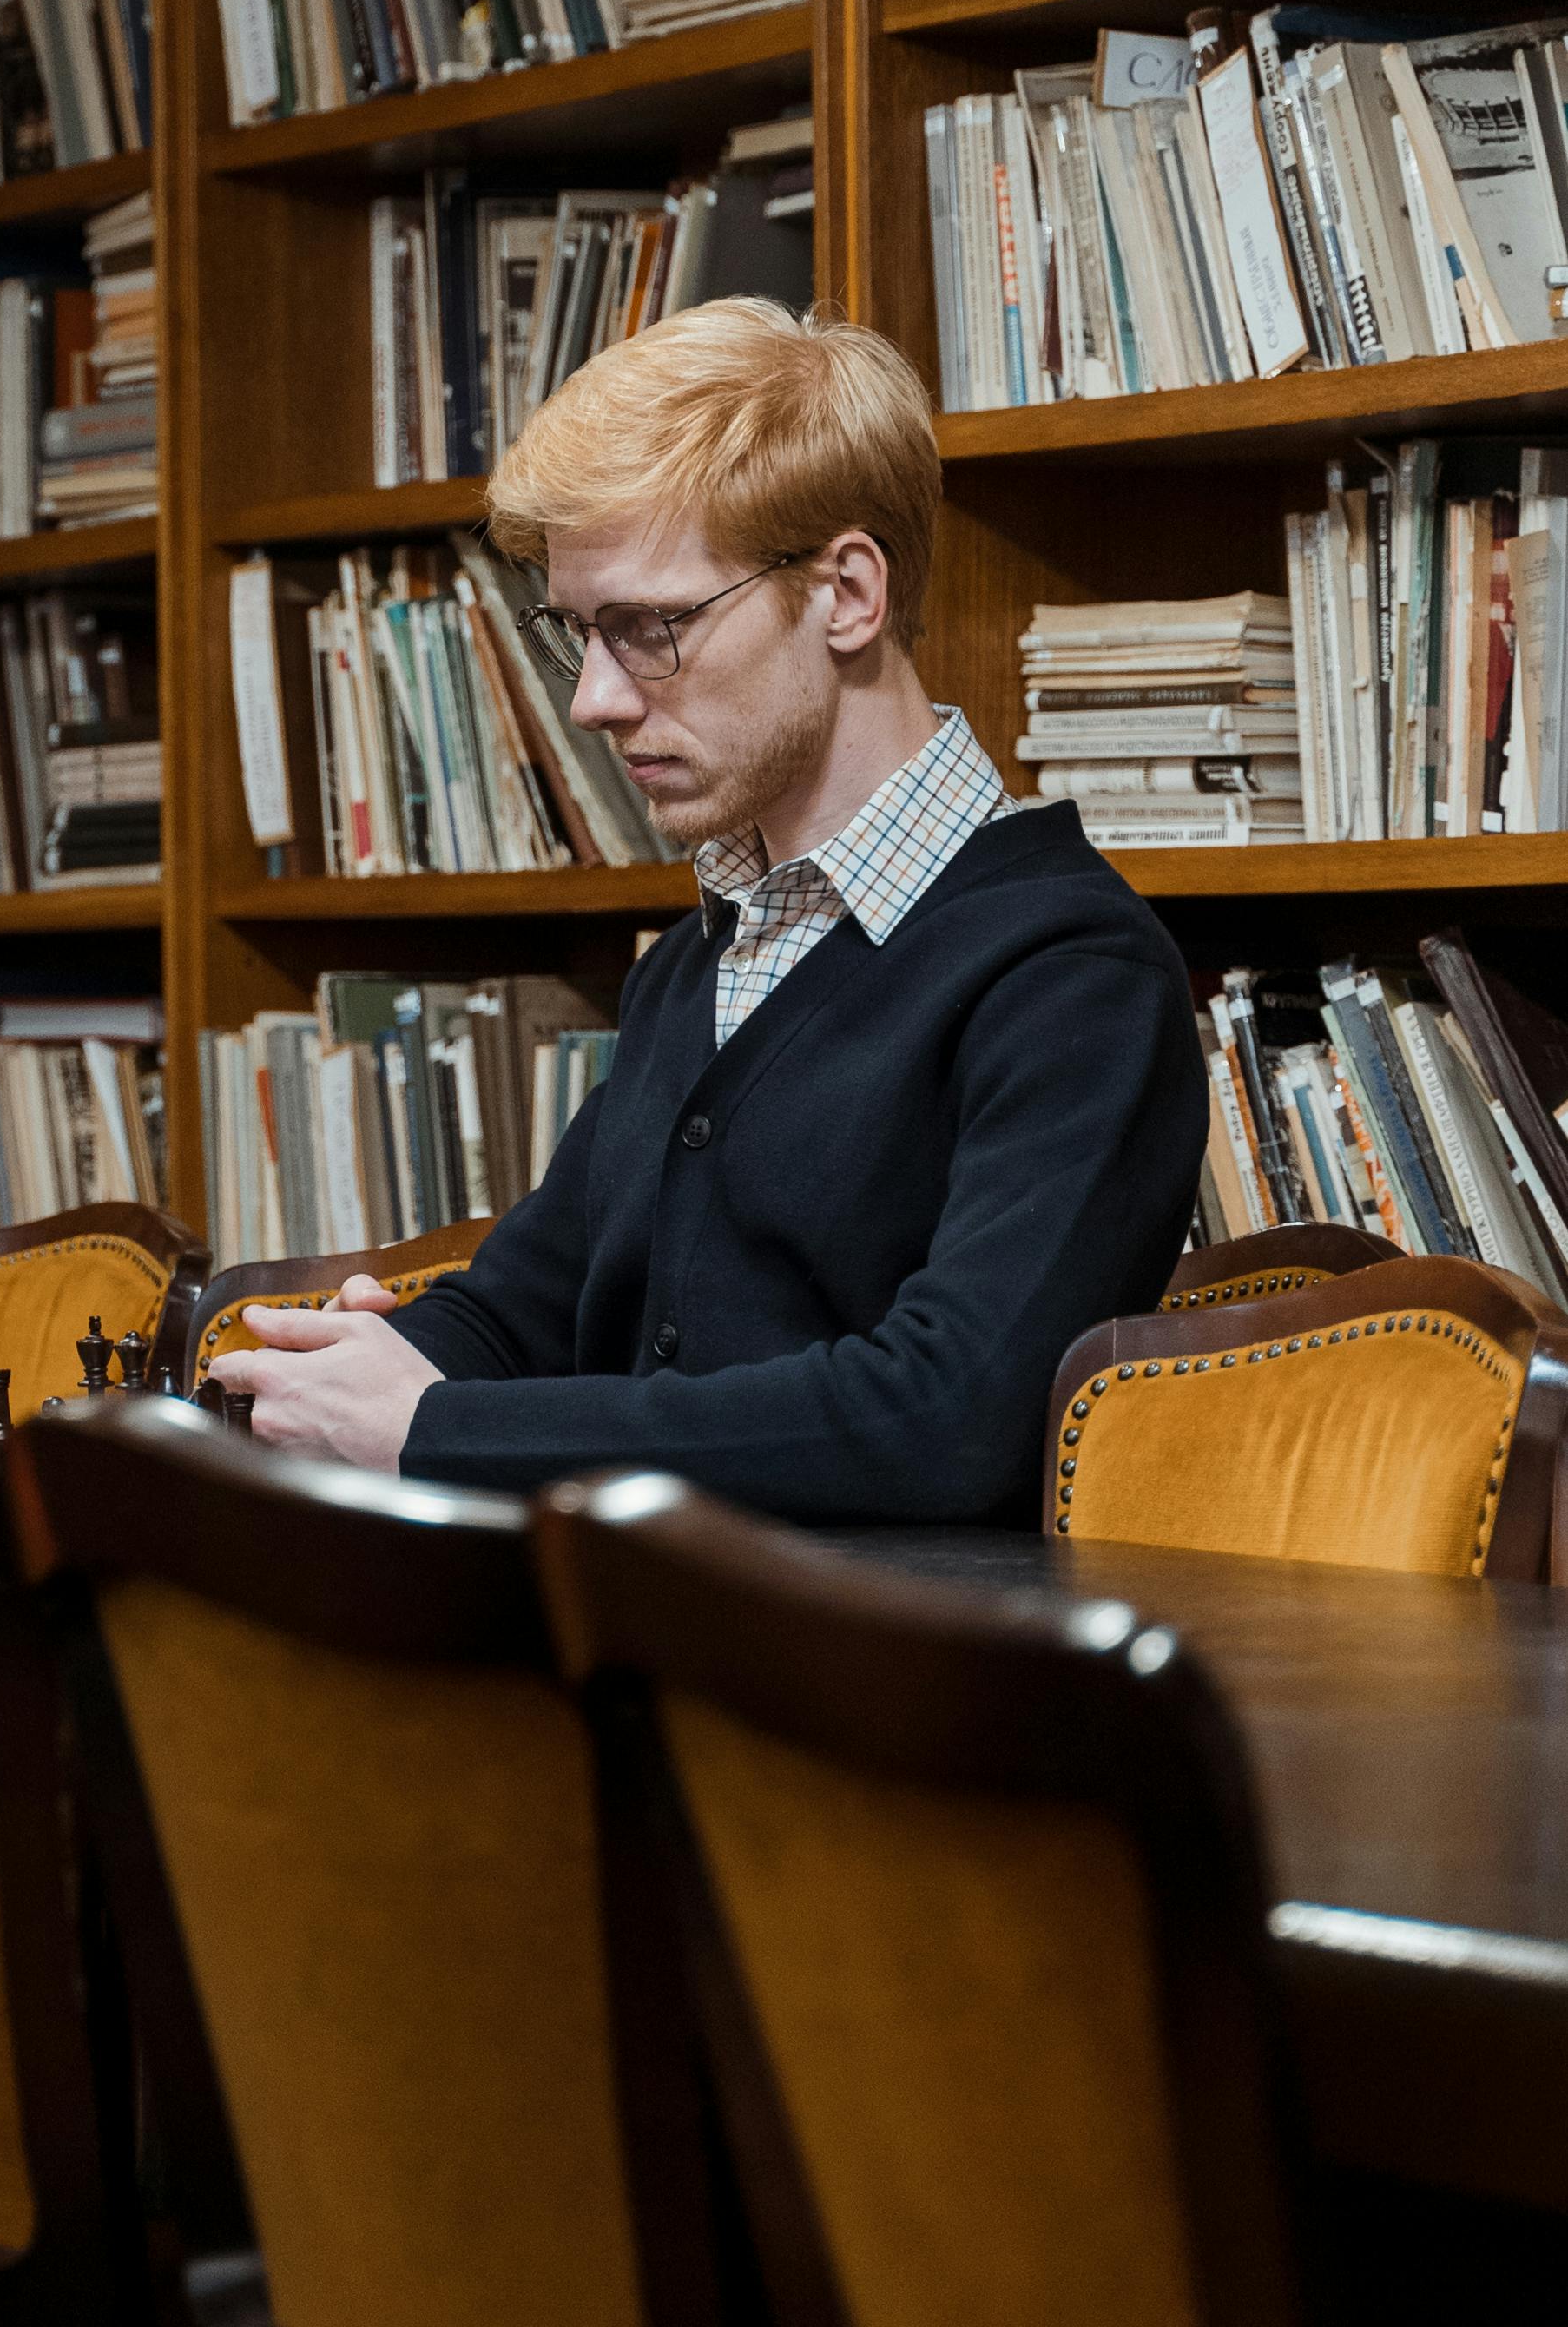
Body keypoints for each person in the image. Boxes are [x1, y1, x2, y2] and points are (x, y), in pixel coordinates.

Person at [210, 299, 1204, 1522]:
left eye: (647, 629)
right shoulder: (701, 959)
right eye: (578, 634)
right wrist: (355, 1368)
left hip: (886, 1644)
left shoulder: (1074, 975)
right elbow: (528, 1307)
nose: (593, 700)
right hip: (644, 1614)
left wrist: (435, 1426)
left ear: (845, 595)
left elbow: (946, 1416)